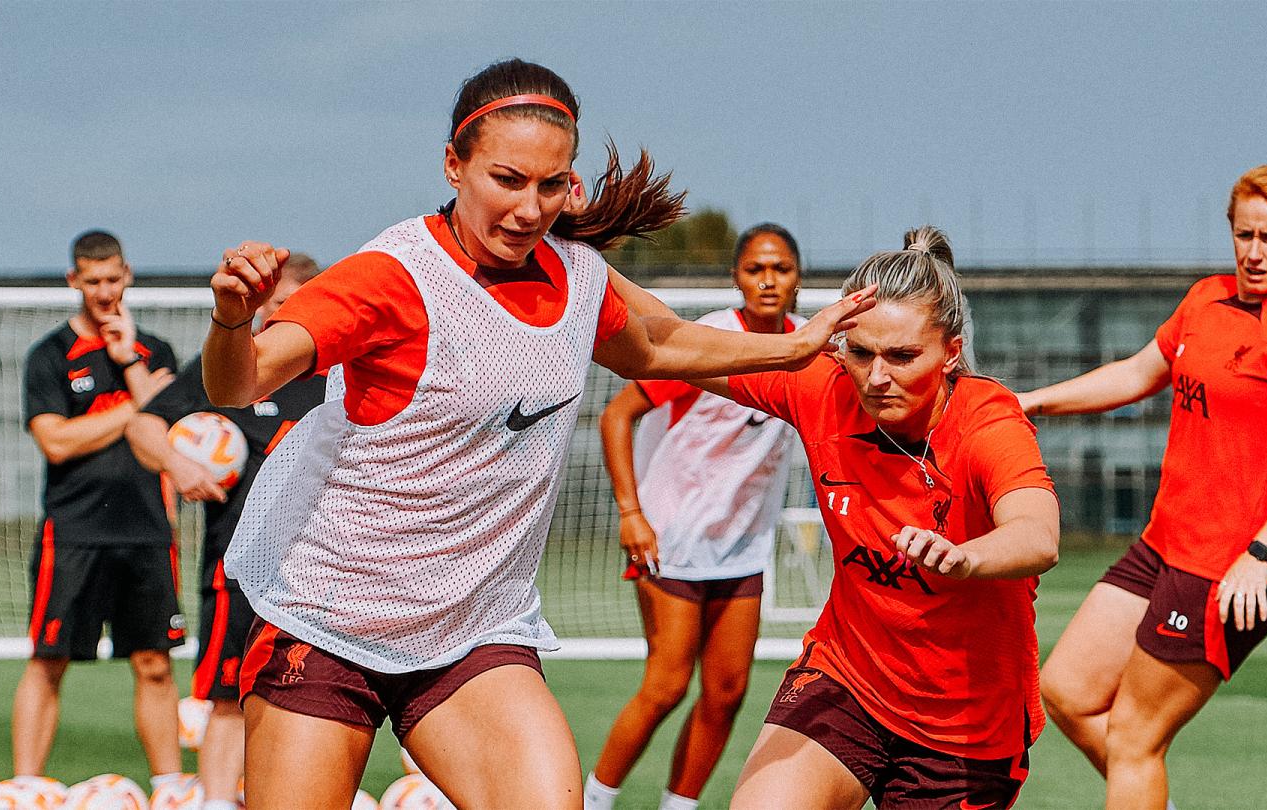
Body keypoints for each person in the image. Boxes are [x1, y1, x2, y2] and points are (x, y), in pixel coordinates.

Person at [199, 59, 875, 810]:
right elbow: (240, 382)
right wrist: (233, 318)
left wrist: (797, 346)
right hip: (330, 619)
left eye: (551, 185)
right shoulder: (392, 276)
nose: (529, 208)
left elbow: (661, 347)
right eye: (508, 179)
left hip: (474, 631)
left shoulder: (577, 277)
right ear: (453, 166)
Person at [691, 226, 1060, 810]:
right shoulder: (824, 387)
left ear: (951, 353)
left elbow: (1038, 534)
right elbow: (655, 344)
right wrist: (566, 260)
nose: (877, 376)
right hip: (849, 682)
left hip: (964, 728)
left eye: (903, 356)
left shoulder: (988, 422)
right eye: (860, 353)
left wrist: (968, 558)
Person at [1022, 165, 1267, 810]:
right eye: (1244, 234)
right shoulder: (1206, 298)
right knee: (1064, 690)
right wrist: (1030, 403)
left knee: (1136, 740)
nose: (1255, 253)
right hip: (1162, 546)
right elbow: (1138, 372)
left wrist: (1258, 555)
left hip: (1226, 571)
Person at [584, 223, 807, 810]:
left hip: (743, 547)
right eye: (755, 269)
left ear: (797, 279)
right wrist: (632, 515)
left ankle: (677, 807)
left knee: (728, 692)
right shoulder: (705, 339)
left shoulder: (804, 349)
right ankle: (591, 800)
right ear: (737, 276)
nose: (767, 280)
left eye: (780, 269)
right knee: (667, 685)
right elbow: (616, 416)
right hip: (671, 539)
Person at [123, 253, 327, 810]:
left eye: (296, 305)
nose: (285, 316)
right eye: (277, 304)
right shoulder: (234, 365)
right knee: (227, 696)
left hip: (321, 573)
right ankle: (216, 801)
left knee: (315, 699)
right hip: (236, 565)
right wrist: (178, 463)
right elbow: (145, 425)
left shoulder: (338, 375)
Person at [15, 229, 182, 787]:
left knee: (155, 664)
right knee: (49, 660)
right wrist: (135, 405)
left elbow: (166, 439)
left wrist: (128, 363)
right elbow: (57, 441)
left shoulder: (155, 353)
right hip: (74, 531)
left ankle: (169, 788)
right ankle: (26, 785)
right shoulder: (50, 356)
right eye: (93, 281)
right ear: (74, 281)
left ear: (128, 275)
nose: (105, 291)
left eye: (113, 279)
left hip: (148, 531)